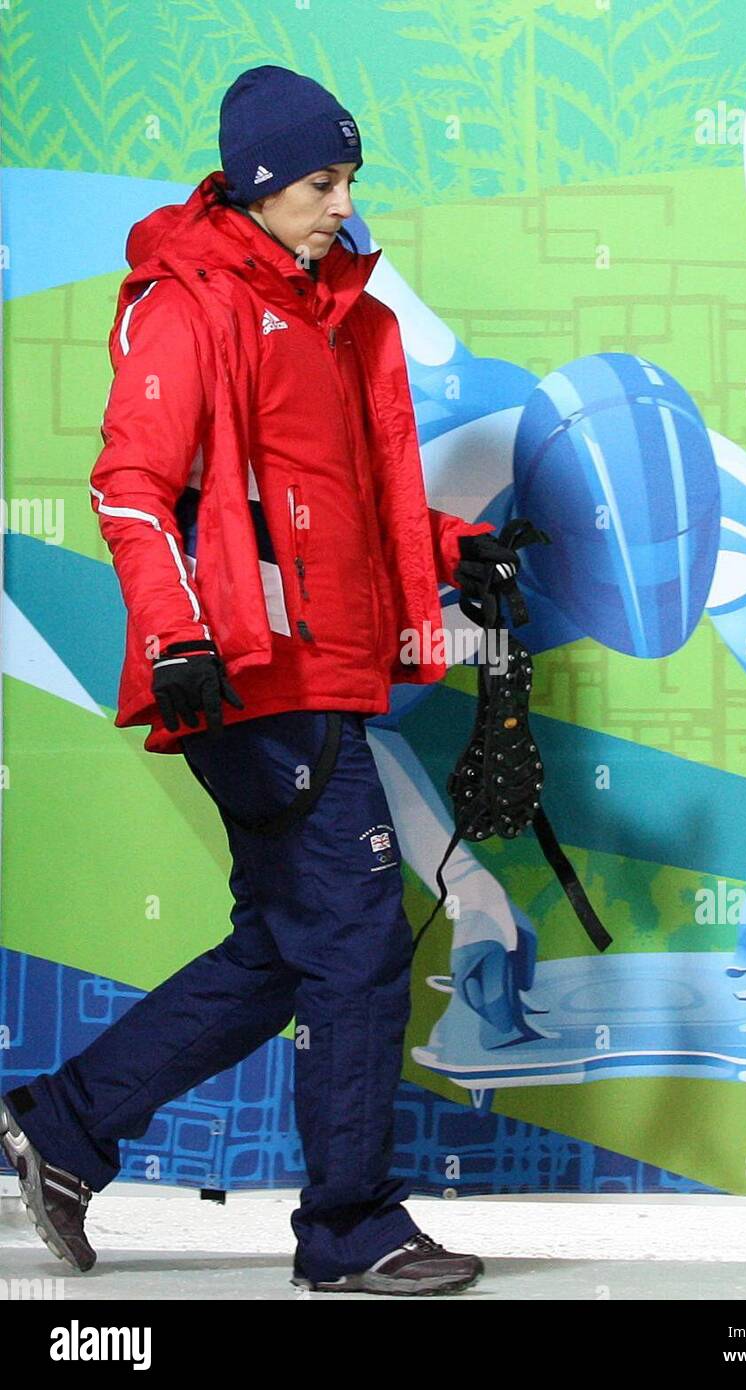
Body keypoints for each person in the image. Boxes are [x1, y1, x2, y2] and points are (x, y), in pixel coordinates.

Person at [0, 64, 521, 1297]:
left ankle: (64, 1127)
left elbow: (339, 509)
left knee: (290, 946)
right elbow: (133, 485)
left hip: (326, 672)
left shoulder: (334, 316)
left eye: (348, 181)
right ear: (258, 183)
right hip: (244, 673)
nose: (341, 205)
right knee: (354, 942)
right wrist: (178, 639)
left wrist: (459, 554)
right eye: (319, 184)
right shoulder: (191, 303)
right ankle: (350, 1232)